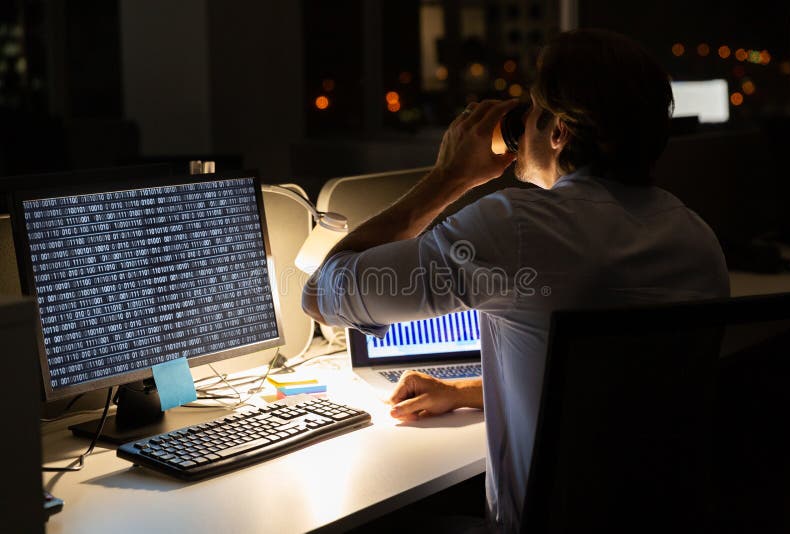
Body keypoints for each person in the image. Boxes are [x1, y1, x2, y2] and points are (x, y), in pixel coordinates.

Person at [302, 29, 730, 532]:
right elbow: (615, 390)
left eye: (530, 109)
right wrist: (466, 391)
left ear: (559, 131)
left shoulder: (519, 227)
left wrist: (451, 176)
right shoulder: (697, 239)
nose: (520, 124)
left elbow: (322, 295)